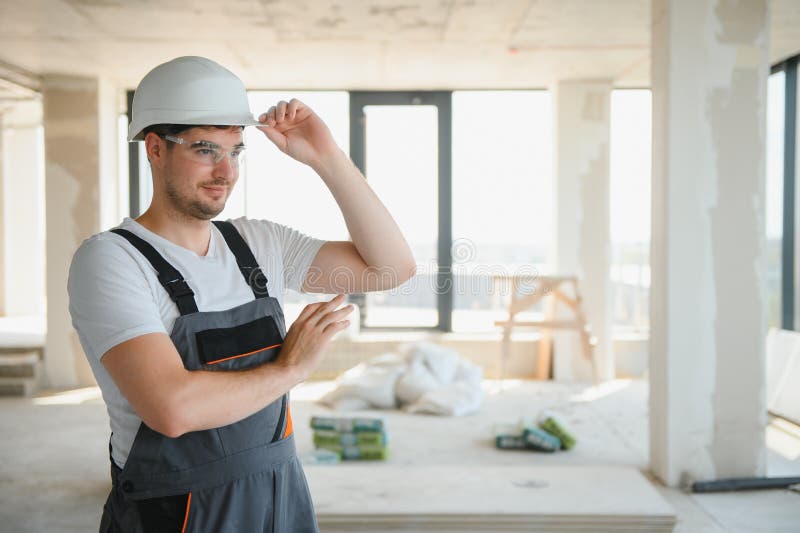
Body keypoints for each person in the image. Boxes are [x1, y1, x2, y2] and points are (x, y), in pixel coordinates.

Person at [67, 56, 415, 532]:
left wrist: (327, 159)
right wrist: (292, 368)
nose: (225, 171)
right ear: (155, 148)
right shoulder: (111, 260)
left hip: (279, 496)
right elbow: (173, 408)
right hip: (176, 512)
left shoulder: (257, 243)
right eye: (206, 149)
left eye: (235, 151)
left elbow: (391, 268)